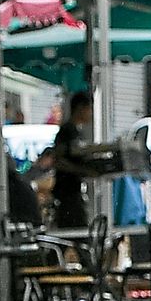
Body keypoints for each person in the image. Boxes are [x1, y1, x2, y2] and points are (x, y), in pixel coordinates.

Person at [51, 91, 95, 228]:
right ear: (80, 108)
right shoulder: (66, 132)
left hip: (73, 192)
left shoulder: (77, 132)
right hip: (67, 194)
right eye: (89, 109)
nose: (91, 113)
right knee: (77, 232)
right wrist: (81, 170)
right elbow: (58, 160)